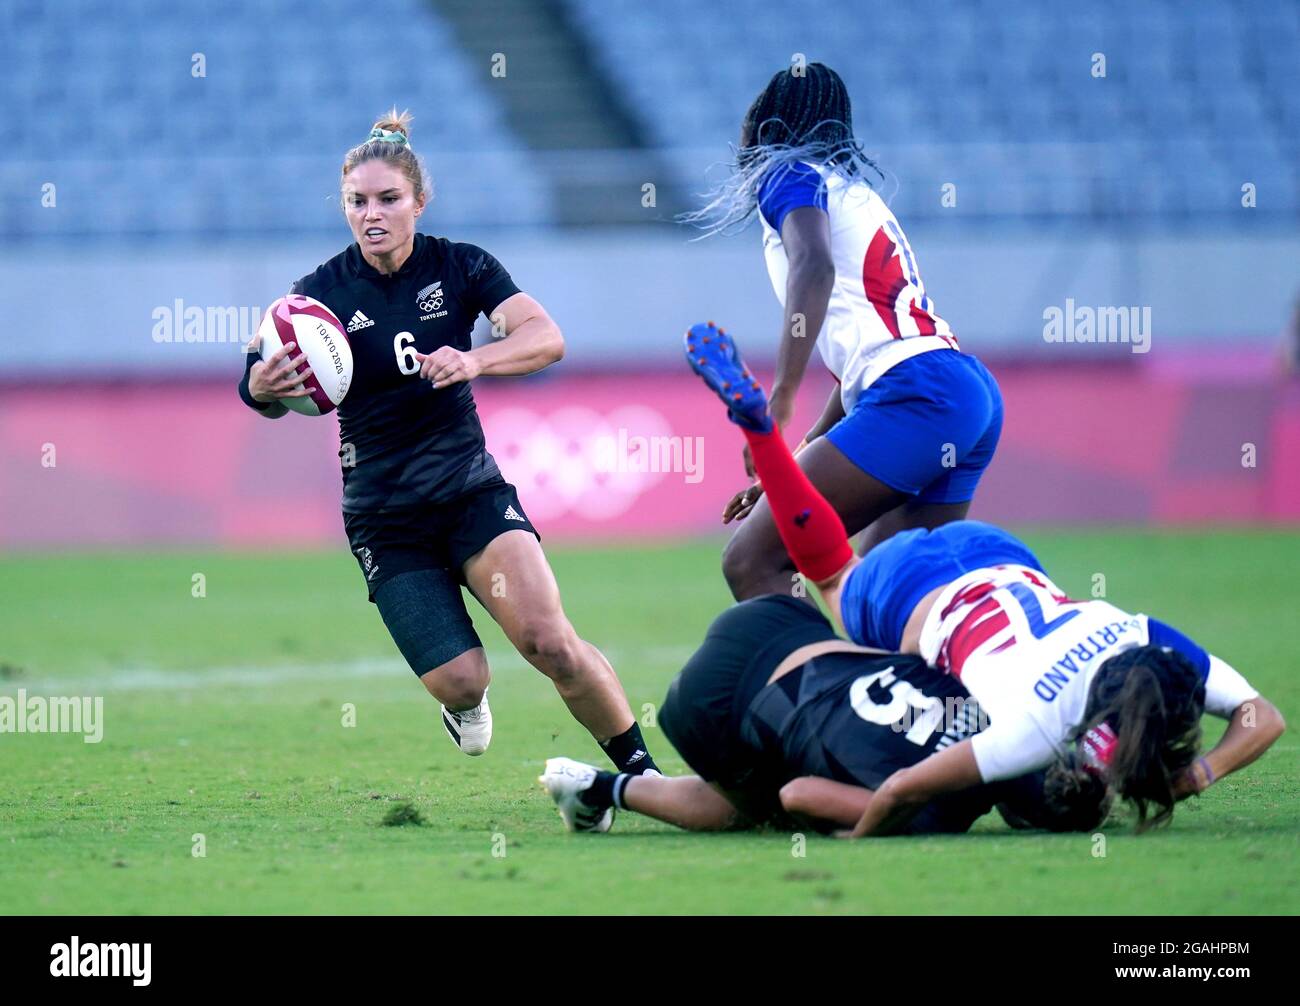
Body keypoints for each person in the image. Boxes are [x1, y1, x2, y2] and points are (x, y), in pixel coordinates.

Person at [685, 325, 1286, 836]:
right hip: (914, 596)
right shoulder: (1032, 731)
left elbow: (1262, 715)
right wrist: (860, 834)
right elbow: (897, 791)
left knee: (846, 560)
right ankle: (765, 440)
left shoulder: (1135, 632)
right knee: (834, 573)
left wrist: (1192, 770)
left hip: (995, 553)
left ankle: (789, 433)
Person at [237, 109, 658, 776]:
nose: (371, 214)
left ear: (418, 201)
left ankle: (645, 776)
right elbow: (259, 392)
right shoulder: (314, 297)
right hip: (384, 515)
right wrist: (261, 385)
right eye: (356, 202)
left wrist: (474, 361)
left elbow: (545, 337)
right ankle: (462, 703)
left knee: (551, 643)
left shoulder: (461, 266)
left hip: (469, 492)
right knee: (462, 679)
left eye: (387, 199)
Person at [684, 64, 1002, 600]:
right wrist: (803, 450)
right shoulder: (853, 193)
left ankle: (813, 684)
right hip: (961, 391)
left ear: (767, 125)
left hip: (918, 394)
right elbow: (867, 362)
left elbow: (815, 267)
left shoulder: (787, 175)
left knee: (754, 559)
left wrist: (780, 398)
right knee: (895, 599)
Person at [538, 594, 1110, 836]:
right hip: (712, 704)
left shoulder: (994, 696)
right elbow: (800, 797)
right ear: (1022, 816)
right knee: (756, 810)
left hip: (777, 619)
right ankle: (599, 791)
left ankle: (599, 787)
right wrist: (868, 828)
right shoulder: (938, 809)